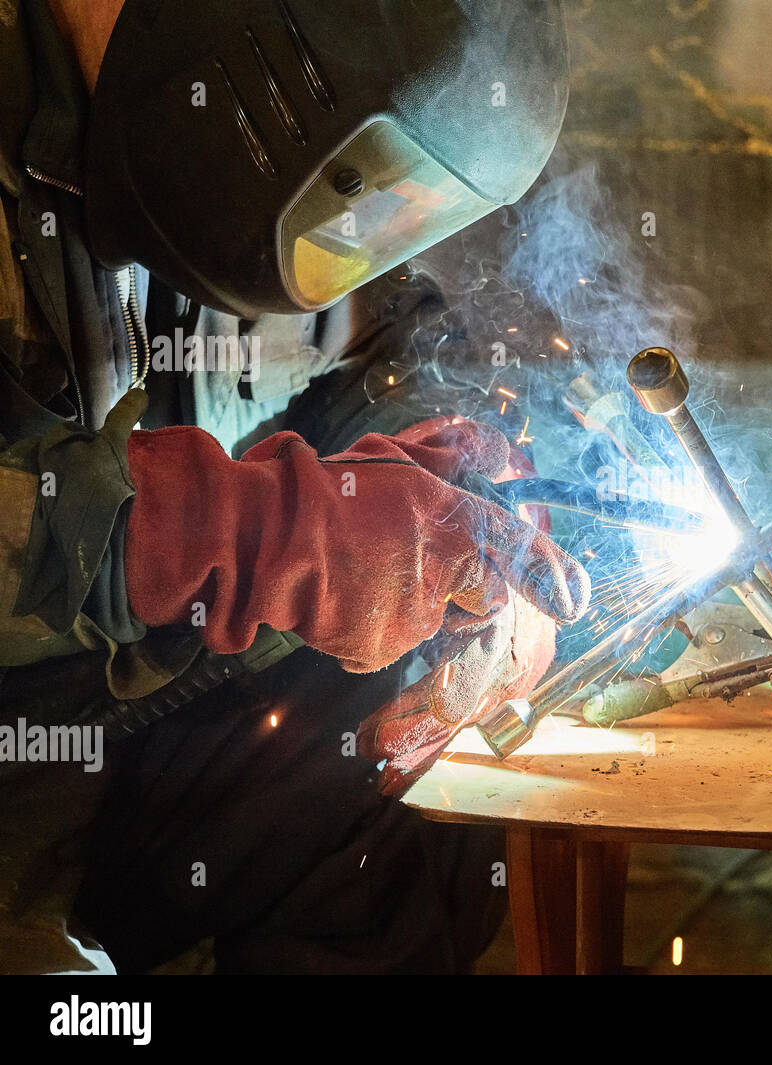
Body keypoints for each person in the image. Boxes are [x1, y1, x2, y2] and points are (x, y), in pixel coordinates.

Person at [0, 0, 588, 973]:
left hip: (114, 752)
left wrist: (460, 481)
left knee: (408, 769)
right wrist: (234, 536)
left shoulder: (260, 160)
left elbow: (390, 346)